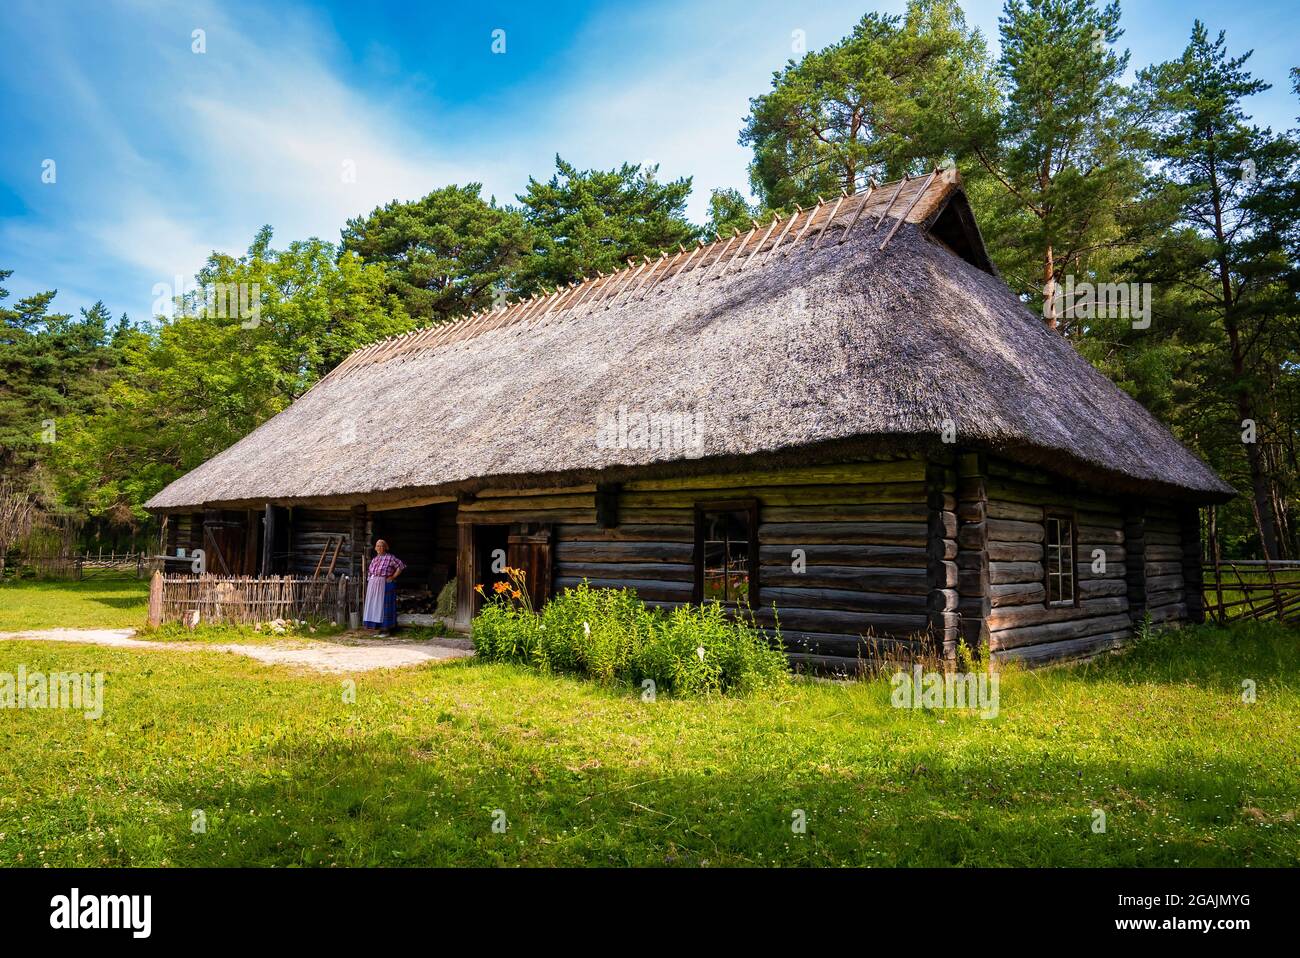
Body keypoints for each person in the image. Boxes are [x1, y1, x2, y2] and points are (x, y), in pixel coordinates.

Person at [362, 539, 405, 634]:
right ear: (375, 548)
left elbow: (400, 566)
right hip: (374, 585)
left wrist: (393, 576)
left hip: (385, 584)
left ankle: (386, 629)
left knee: (383, 606)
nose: (379, 547)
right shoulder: (374, 559)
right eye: (378, 546)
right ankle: (376, 628)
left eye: (382, 546)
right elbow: (370, 572)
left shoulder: (390, 557)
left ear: (385, 547)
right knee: (375, 606)